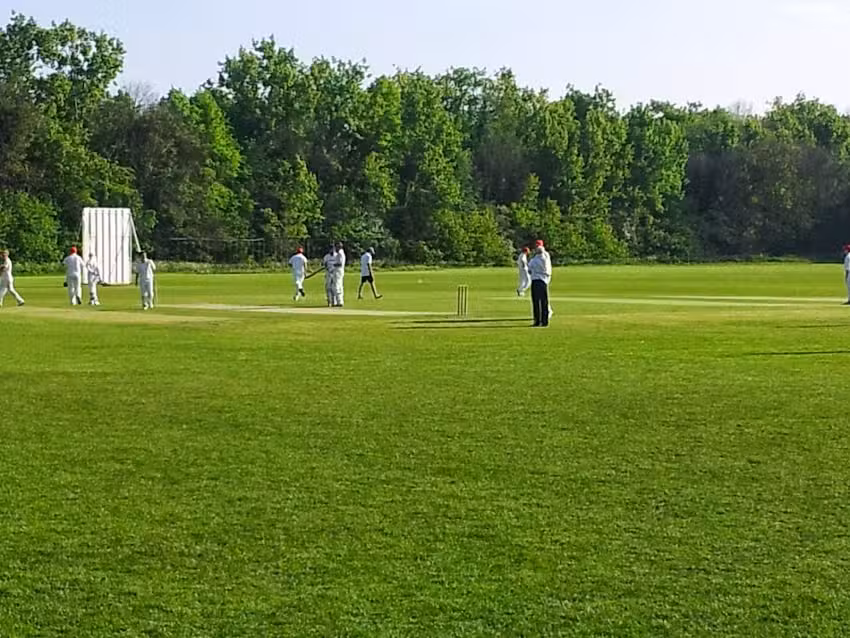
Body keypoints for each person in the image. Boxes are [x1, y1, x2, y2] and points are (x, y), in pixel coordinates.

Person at [528, 242, 552, 327]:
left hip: (537, 280)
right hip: (541, 280)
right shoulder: (544, 257)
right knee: (542, 302)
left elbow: (529, 269)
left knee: (537, 302)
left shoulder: (537, 258)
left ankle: (538, 320)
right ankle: (543, 321)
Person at [331, 242, 346, 307]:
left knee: (336, 286)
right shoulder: (339, 253)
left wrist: (332, 265)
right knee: (339, 285)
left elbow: (340, 263)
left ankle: (339, 301)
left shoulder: (340, 253)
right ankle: (339, 301)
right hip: (338, 270)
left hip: (338, 270)